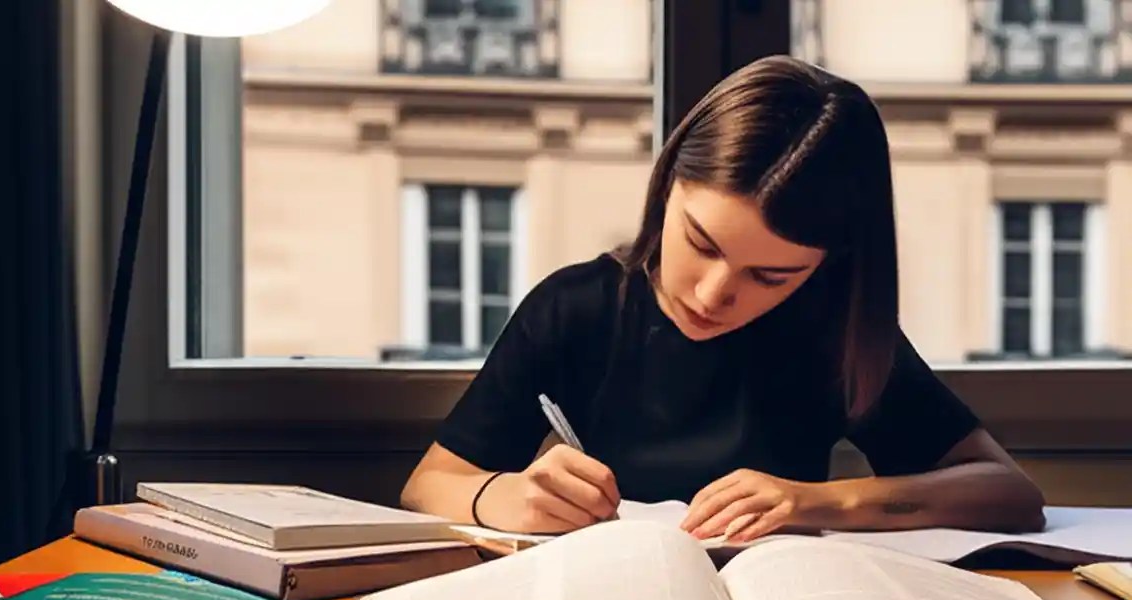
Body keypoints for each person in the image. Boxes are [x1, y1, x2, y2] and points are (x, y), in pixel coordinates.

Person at [398, 55, 1045, 542]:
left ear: (825, 267)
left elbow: (1010, 495)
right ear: (668, 183)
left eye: (771, 277)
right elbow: (427, 487)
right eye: (700, 242)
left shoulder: (829, 327)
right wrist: (501, 498)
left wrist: (817, 502)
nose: (713, 295)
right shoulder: (577, 309)